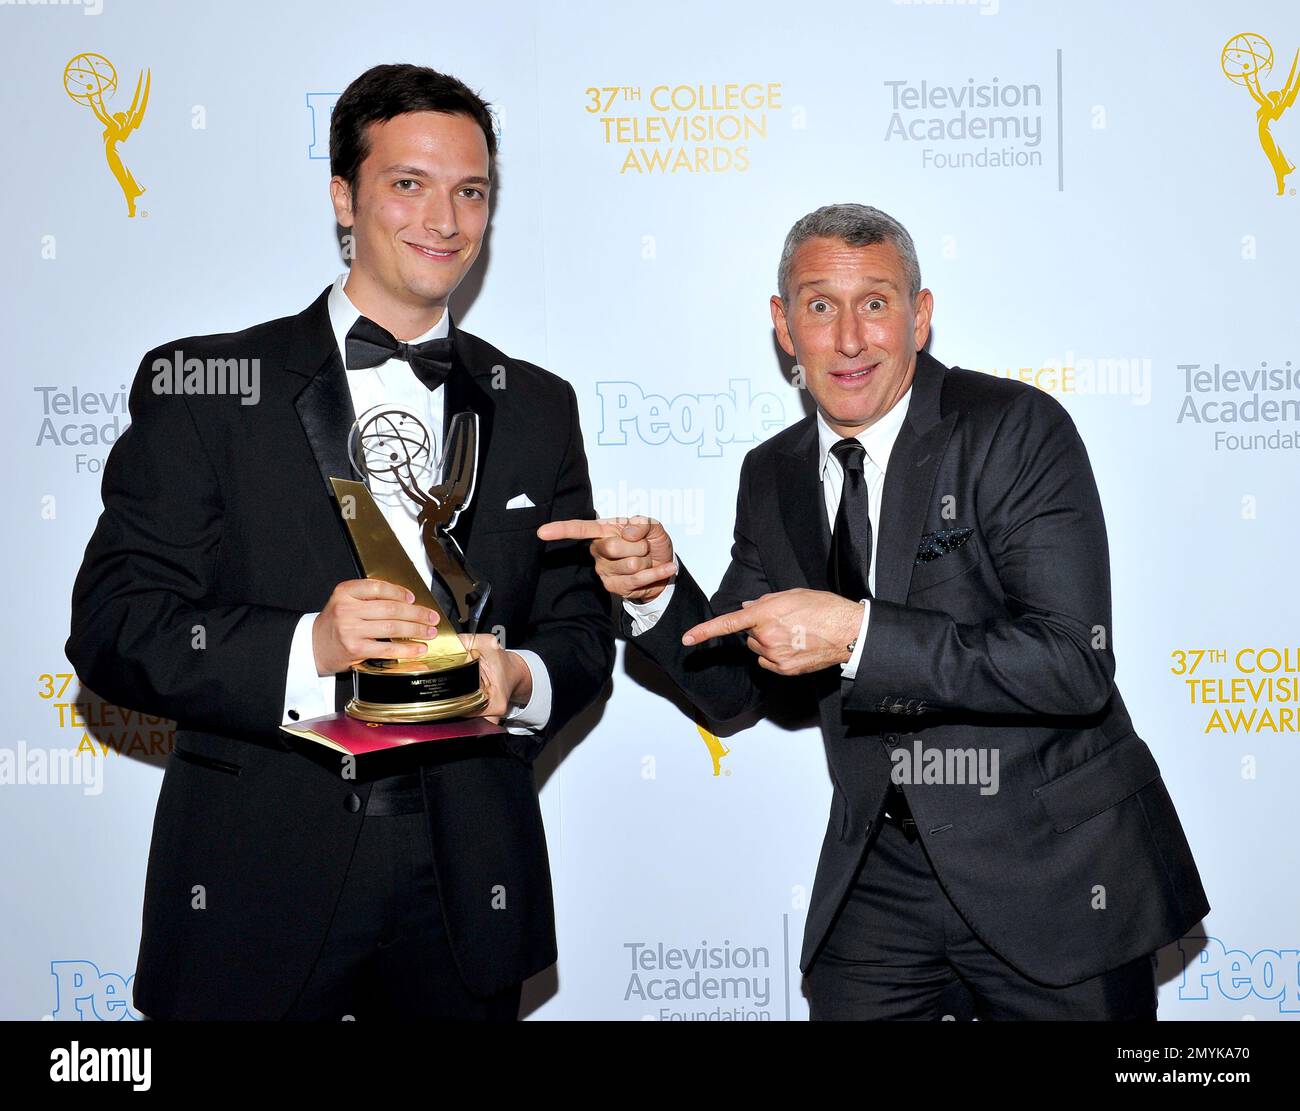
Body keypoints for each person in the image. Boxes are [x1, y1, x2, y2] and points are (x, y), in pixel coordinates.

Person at [541, 203, 1210, 1020]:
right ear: (784, 326)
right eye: (821, 306)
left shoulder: (1014, 428)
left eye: (877, 303)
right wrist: (653, 592)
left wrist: (856, 637)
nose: (850, 339)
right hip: (879, 877)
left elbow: (1071, 664)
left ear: (919, 317)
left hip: (1057, 870)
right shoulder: (774, 473)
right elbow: (732, 691)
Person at [66, 63, 613, 1020]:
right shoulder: (207, 385)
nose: (445, 218)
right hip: (254, 879)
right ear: (342, 199)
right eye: (409, 183)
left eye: (471, 189)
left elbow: (577, 631)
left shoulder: (538, 405)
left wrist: (518, 678)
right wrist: (305, 648)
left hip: (468, 883)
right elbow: (115, 626)